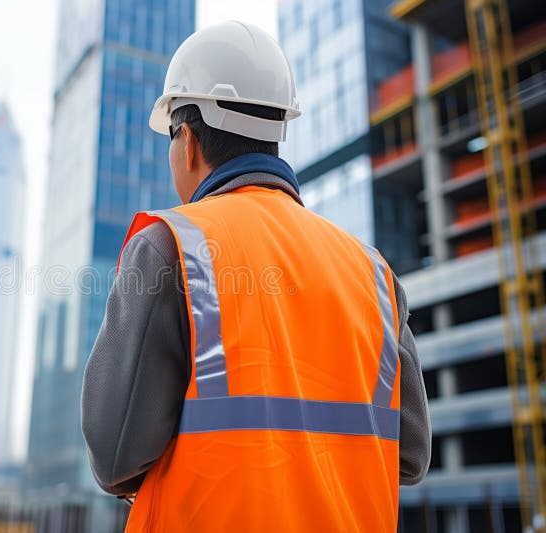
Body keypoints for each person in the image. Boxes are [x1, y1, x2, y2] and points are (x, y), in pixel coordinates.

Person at [81, 21, 430, 532]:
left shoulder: (169, 249)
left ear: (188, 142)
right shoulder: (372, 273)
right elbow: (411, 456)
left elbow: (114, 455)